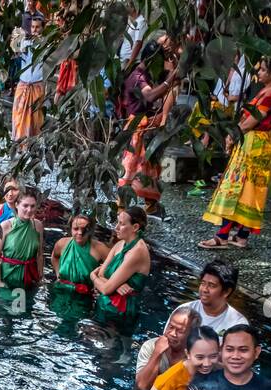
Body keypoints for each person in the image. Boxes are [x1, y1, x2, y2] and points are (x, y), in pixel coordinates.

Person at [200, 59, 271, 249]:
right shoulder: (269, 92)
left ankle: (222, 236)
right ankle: (241, 236)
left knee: (236, 186)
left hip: (254, 143)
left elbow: (251, 121)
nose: (259, 73)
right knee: (249, 189)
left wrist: (233, 134)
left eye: (263, 70)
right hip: (255, 142)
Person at [118, 38, 180, 213]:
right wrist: (170, 79)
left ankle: (150, 205)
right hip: (137, 126)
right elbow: (150, 96)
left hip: (148, 126)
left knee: (149, 168)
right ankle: (121, 206)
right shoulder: (138, 77)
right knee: (130, 168)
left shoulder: (148, 75)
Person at [90, 206, 151, 320]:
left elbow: (105, 289)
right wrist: (116, 286)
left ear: (135, 227)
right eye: (117, 223)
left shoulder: (137, 252)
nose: (116, 227)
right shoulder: (120, 244)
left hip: (121, 312)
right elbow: (101, 274)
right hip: (106, 305)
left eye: (122, 224)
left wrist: (92, 276)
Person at [0, 188, 44, 290]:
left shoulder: (38, 226)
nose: (29, 210)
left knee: (28, 305)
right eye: (25, 205)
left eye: (32, 206)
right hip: (8, 277)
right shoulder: (4, 226)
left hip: (30, 276)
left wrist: (40, 277)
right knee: (7, 305)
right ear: (16, 205)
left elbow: (40, 254)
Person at [135, 305, 197, 390]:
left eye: (180, 331)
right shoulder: (151, 346)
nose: (172, 333)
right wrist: (157, 353)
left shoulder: (197, 356)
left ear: (191, 335)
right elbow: (142, 386)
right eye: (171, 327)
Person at [51, 213, 110, 297]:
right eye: (75, 229)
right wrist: (58, 274)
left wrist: (99, 280)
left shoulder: (100, 249)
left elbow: (114, 268)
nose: (80, 232)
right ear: (70, 229)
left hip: (84, 295)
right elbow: (54, 257)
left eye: (84, 229)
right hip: (61, 291)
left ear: (90, 230)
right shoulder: (61, 243)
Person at [183, 260, 247, 333]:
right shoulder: (184, 312)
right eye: (203, 283)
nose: (204, 289)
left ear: (226, 291)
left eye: (211, 285)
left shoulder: (238, 324)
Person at [12, 13, 47, 140]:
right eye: (32, 27)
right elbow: (14, 50)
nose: (34, 30)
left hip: (36, 87)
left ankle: (33, 146)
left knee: (35, 120)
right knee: (18, 117)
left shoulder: (46, 45)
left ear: (43, 28)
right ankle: (19, 144)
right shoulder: (25, 43)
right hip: (23, 86)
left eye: (37, 27)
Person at [0, 179, 21, 261]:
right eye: (7, 190)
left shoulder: (24, 213)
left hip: (13, 258)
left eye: (14, 190)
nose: (10, 193)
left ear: (20, 192)